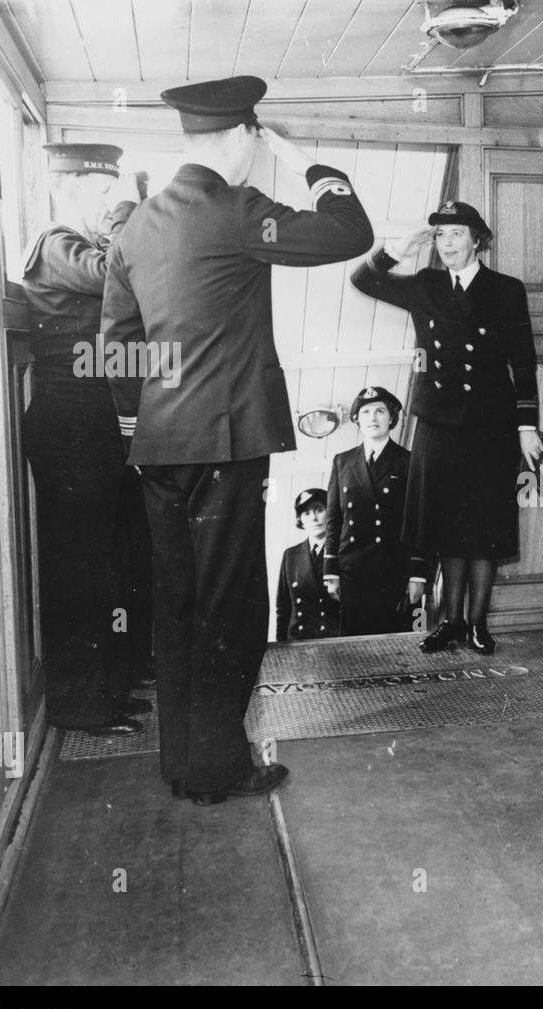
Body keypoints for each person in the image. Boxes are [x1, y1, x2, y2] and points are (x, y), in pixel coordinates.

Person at [101, 75, 375, 805]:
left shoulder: (137, 224)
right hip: (225, 446)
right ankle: (217, 768)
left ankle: (181, 762)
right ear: (243, 139)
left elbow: (117, 345)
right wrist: (311, 165)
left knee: (177, 604)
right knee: (230, 608)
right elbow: (351, 233)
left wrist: (143, 423)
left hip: (159, 448)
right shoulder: (239, 210)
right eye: (257, 141)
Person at [351, 202, 543, 655]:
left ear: (478, 239)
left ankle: (477, 624)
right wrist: (397, 250)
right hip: (437, 424)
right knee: (443, 527)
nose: (448, 244)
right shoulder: (426, 285)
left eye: (457, 234)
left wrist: (526, 426)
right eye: (440, 236)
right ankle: (450, 622)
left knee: (482, 528)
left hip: (488, 427)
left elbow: (524, 362)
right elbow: (364, 280)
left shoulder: (505, 290)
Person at [21, 142, 150, 736]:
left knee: (106, 559)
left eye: (109, 191)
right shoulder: (55, 245)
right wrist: (128, 214)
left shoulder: (76, 242)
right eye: (99, 191)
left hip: (90, 418)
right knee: (79, 566)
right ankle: (81, 705)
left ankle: (107, 690)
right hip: (70, 422)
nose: (105, 201)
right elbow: (116, 276)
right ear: (66, 186)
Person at [321, 387, 429, 636]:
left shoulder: (409, 461)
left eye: (380, 411)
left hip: (392, 569)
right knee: (352, 647)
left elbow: (418, 521)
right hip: (352, 570)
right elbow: (334, 521)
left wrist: (418, 575)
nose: (373, 418)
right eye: (366, 412)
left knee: (392, 647)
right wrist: (331, 571)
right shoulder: (343, 461)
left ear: (391, 418)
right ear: (357, 419)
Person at [277, 489, 340, 641]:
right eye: (306, 513)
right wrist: (280, 646)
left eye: (319, 510)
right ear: (300, 520)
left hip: (333, 640)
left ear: (330, 513)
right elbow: (283, 608)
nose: (314, 518)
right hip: (297, 639)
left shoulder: (341, 553)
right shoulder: (290, 555)